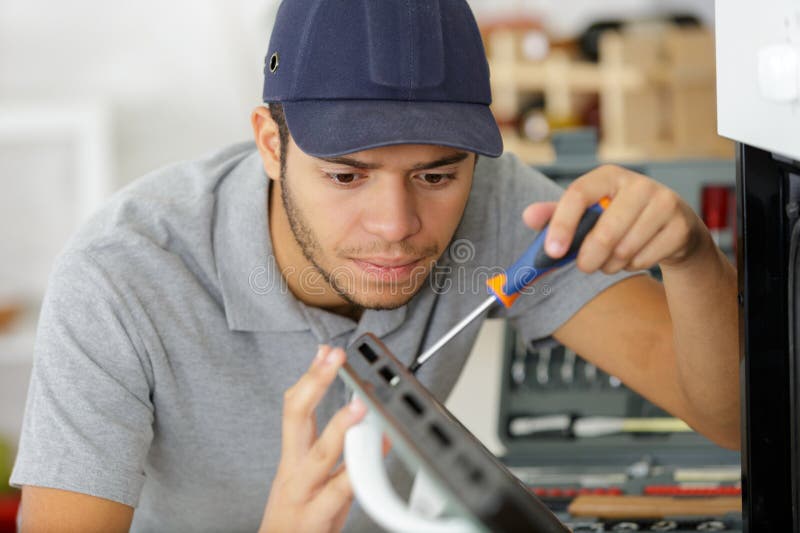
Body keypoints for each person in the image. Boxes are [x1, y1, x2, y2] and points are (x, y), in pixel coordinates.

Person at [10, 0, 739, 531]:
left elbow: (737, 420)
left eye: (435, 175)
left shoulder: (496, 203)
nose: (397, 227)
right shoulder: (120, 277)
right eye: (346, 176)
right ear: (271, 142)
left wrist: (692, 258)